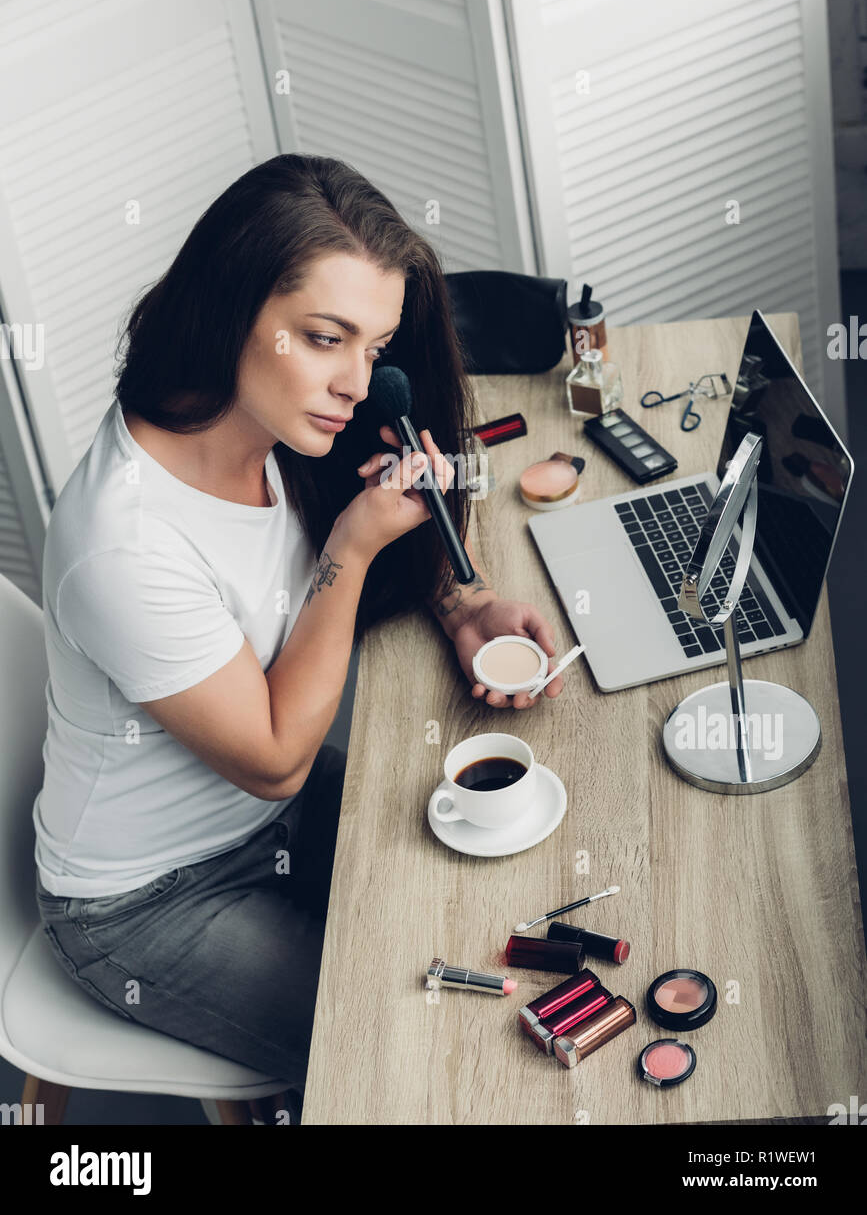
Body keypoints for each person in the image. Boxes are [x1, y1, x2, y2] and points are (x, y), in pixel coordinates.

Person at [32, 153, 564, 1124]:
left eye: (378, 345)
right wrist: (355, 551)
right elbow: (276, 757)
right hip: (145, 904)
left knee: (495, 908)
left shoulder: (276, 421)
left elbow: (360, 518)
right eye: (326, 339)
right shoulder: (123, 539)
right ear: (233, 308)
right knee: (413, 1056)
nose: (359, 383)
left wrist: (460, 599)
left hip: (258, 829)